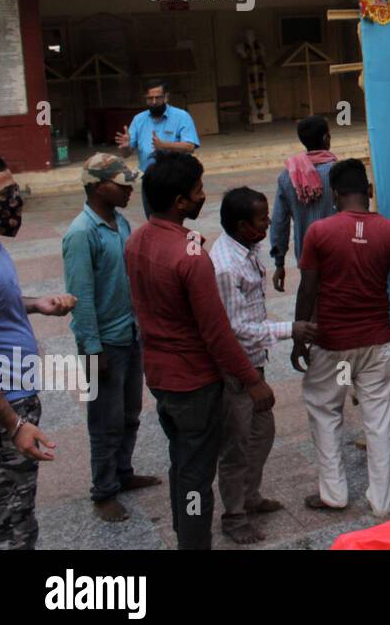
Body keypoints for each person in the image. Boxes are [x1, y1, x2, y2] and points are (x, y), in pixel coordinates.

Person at [126, 152, 273, 550]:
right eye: (197, 192)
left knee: (183, 463)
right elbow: (217, 332)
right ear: (179, 202)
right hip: (193, 382)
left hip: (160, 376)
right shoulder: (191, 256)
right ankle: (193, 540)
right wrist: (250, 380)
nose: (202, 197)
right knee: (196, 476)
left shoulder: (138, 239)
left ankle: (184, 531)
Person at [293, 159, 390, 518]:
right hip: (377, 343)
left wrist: (299, 337)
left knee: (325, 412)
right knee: (377, 420)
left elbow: (308, 289)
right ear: (369, 192)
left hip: (332, 344)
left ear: (334, 194)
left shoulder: (319, 232)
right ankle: (381, 501)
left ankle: (334, 494)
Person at [212, 187, 316, 544]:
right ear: (242, 225)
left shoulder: (247, 248)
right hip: (237, 366)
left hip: (254, 361)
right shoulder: (226, 266)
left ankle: (249, 495)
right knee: (237, 442)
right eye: (261, 219)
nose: (268, 222)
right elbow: (235, 327)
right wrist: (291, 329)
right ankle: (234, 514)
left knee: (262, 431)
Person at [62, 154, 161, 524]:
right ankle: (103, 491)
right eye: (122, 184)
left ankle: (123, 472)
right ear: (98, 187)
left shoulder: (120, 223)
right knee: (104, 420)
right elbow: (80, 298)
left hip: (130, 334)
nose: (129, 189)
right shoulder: (80, 234)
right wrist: (92, 349)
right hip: (102, 345)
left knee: (129, 413)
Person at [0, 157, 76, 550]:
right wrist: (13, 424)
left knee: (18, 508)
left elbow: (0, 304)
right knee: (11, 523)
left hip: (15, 397)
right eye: (4, 195)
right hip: (4, 408)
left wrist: (36, 304)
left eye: (14, 191)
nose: (14, 202)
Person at [268, 115, 338, 292]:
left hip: (307, 258)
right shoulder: (338, 172)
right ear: (326, 138)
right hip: (338, 254)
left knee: (313, 306)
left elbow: (279, 223)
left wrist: (279, 263)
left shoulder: (288, 176)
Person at [113, 80, 199, 217]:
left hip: (175, 179)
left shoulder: (182, 116)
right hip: (149, 180)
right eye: (149, 98)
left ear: (166, 97)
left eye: (158, 98)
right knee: (153, 219)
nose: (154, 102)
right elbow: (126, 154)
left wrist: (164, 145)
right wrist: (125, 146)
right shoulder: (138, 119)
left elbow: (190, 146)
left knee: (175, 220)